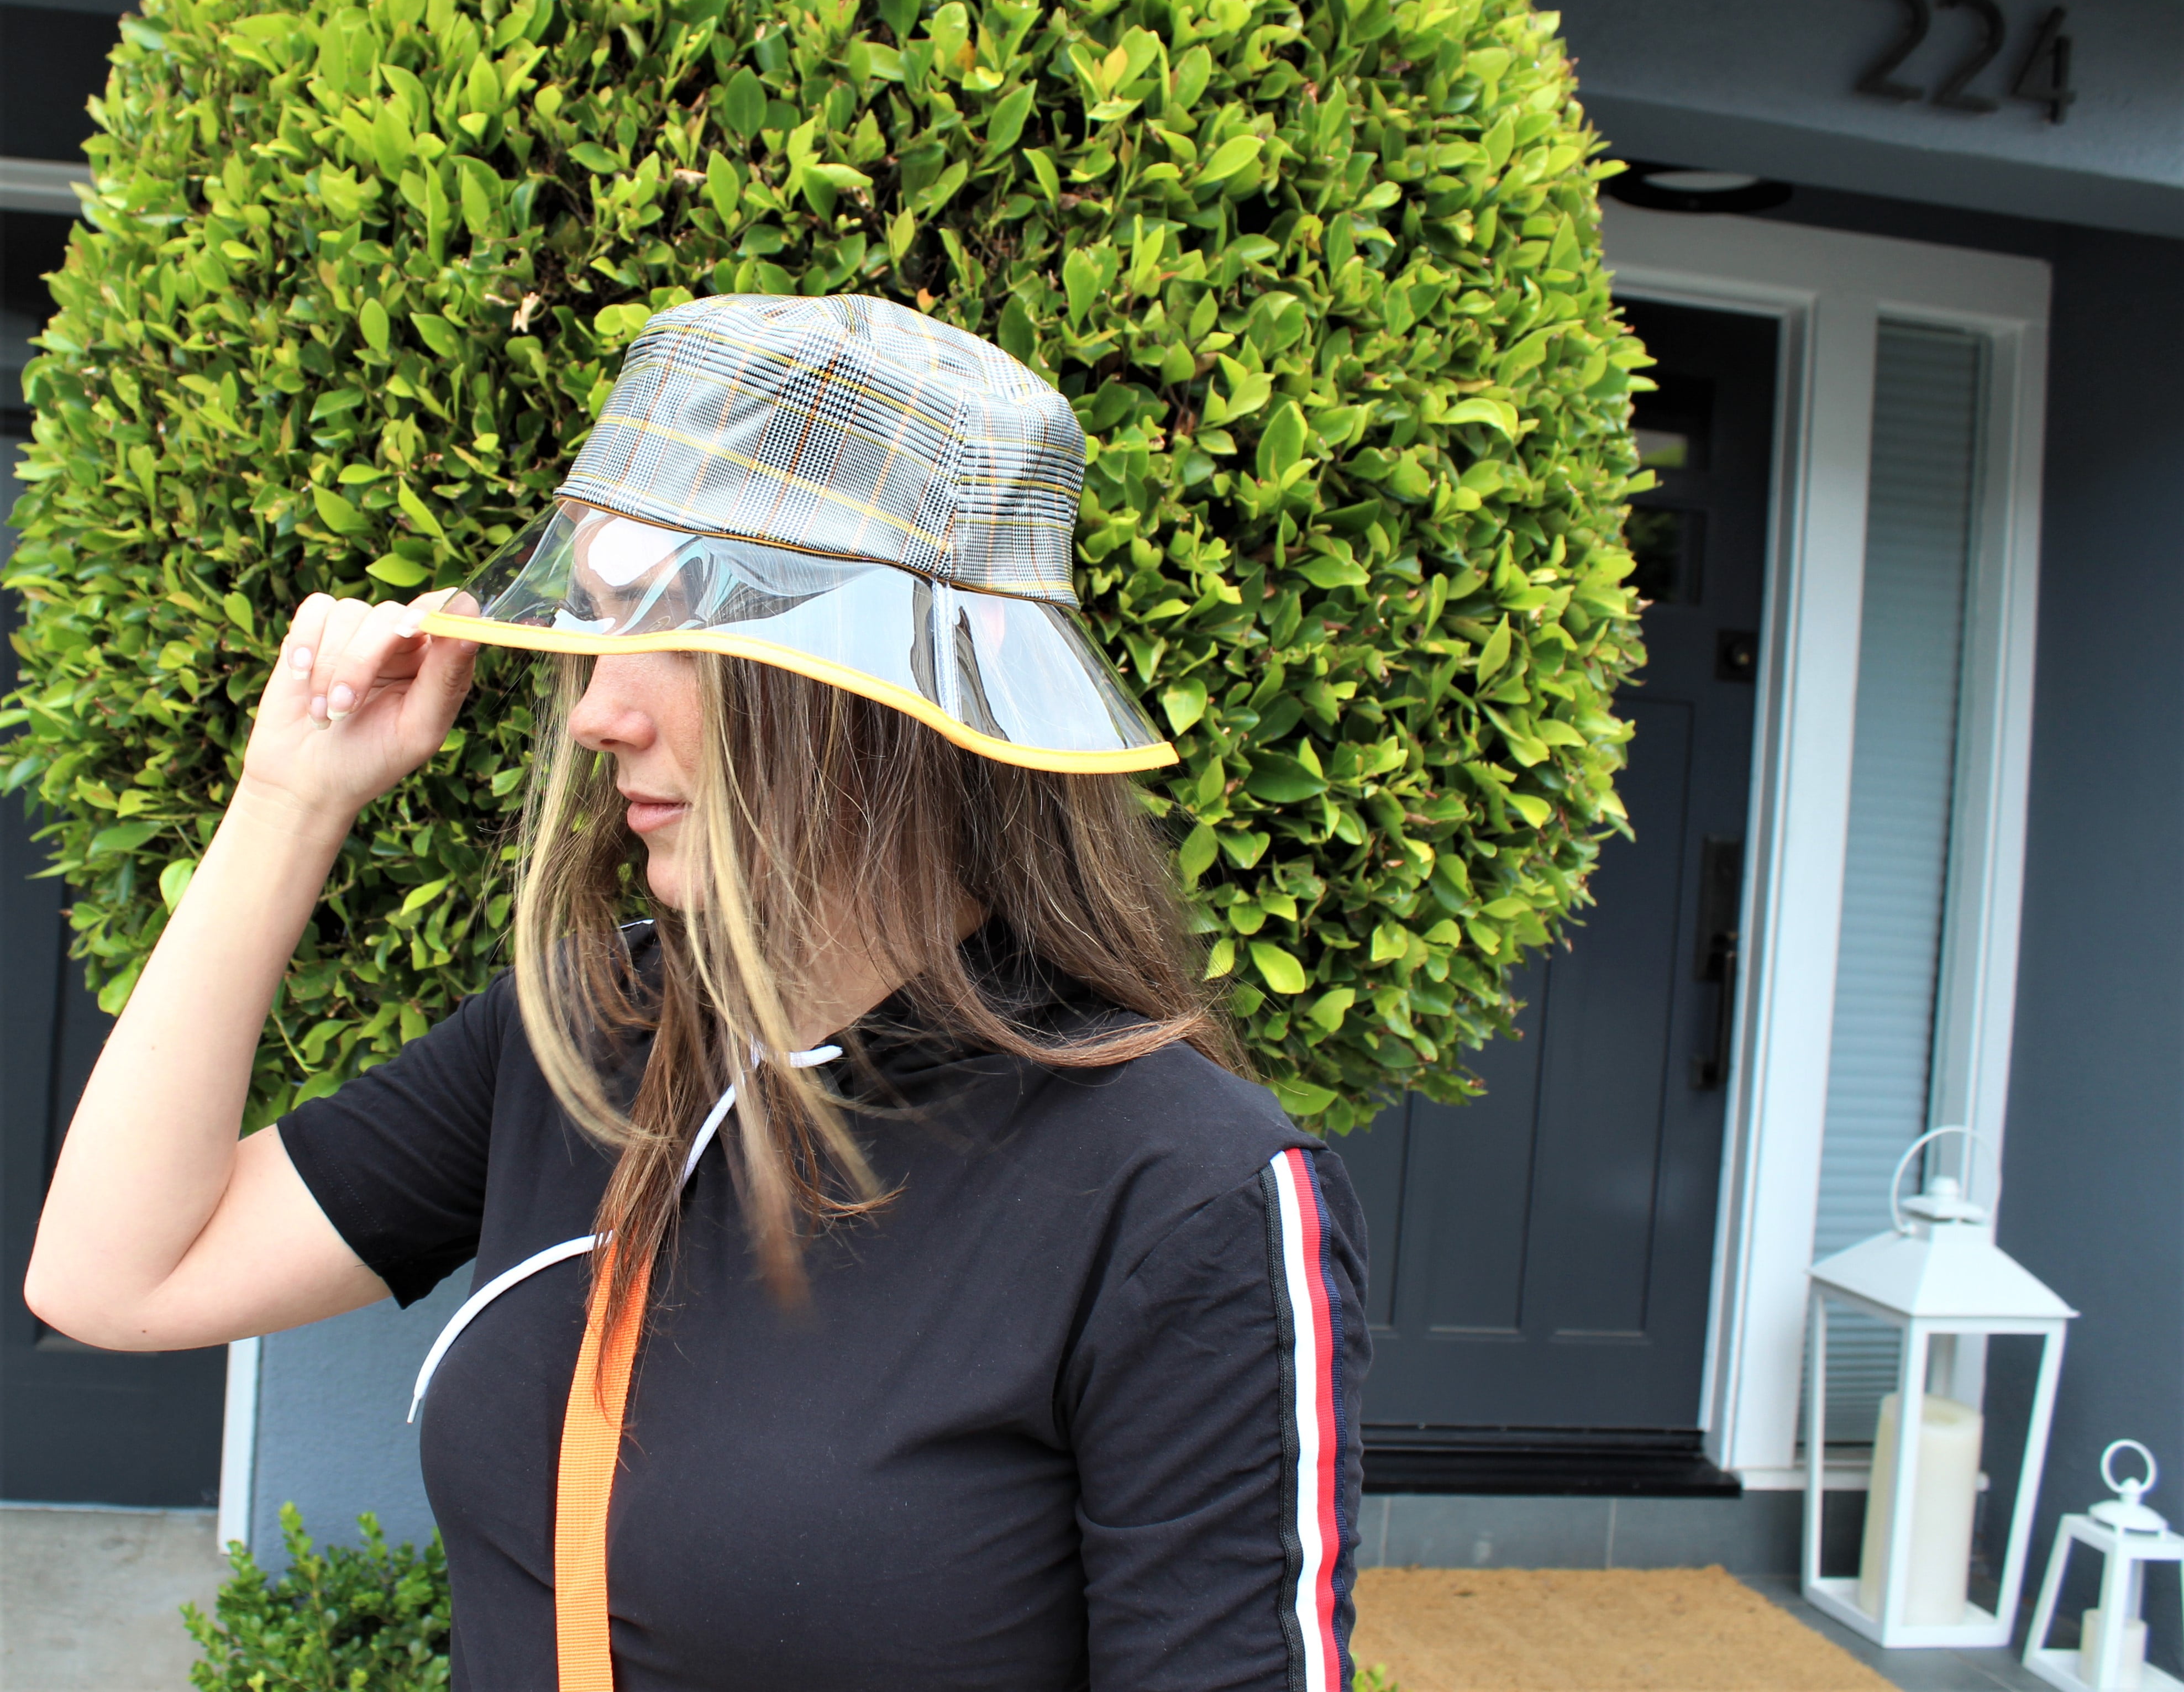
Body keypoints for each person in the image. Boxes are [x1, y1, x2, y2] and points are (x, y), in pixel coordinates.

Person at [27, 294, 1368, 1691]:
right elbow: (112, 1280)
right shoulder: (588, 1028)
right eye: (599, 624)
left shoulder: (1181, 1192)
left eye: (672, 628)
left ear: (872, 691)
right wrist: (294, 793)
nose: (598, 710)